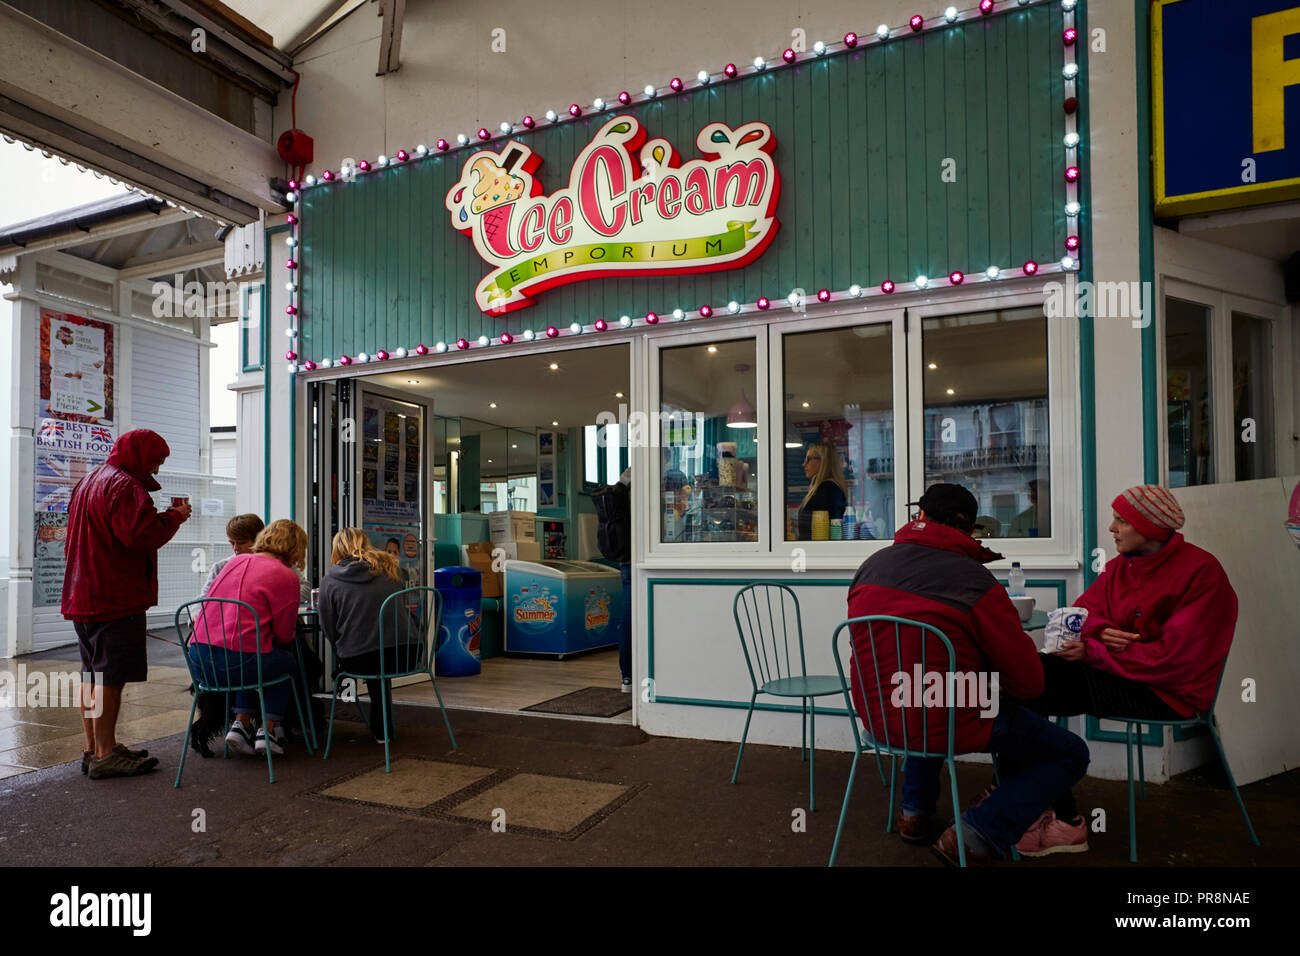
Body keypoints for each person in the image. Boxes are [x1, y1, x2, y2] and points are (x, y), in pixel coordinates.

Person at [847, 482, 1089, 865]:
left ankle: (914, 812)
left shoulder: (871, 566)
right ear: (968, 528)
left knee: (926, 696)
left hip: (877, 714)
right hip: (942, 714)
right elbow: (1029, 683)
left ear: (920, 517)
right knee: (1070, 753)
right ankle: (977, 831)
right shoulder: (976, 582)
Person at [1006, 484, 1238, 856]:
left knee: (1030, 687)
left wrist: (1093, 652)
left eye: (1121, 520)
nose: (1111, 528)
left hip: (1167, 695)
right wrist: (1098, 632)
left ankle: (1058, 818)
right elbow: (1079, 614)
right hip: (1121, 675)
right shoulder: (1120, 568)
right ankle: (1023, 795)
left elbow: (1172, 660)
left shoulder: (1202, 573)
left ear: (1149, 526)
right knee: (1025, 679)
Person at [62, 429, 190, 779]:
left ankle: (95, 748)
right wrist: (175, 516)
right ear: (140, 455)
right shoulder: (126, 487)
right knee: (110, 678)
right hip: (114, 596)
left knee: (92, 673)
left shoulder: (90, 481)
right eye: (156, 460)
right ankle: (105, 755)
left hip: (83, 593)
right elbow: (141, 536)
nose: (158, 469)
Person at [190, 519, 309, 756]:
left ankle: (241, 724)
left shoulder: (234, 563)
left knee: (251, 657)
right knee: (284, 661)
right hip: (238, 661)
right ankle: (268, 729)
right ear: (296, 549)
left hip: (199, 661)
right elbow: (284, 635)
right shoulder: (286, 576)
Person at [317, 529, 415, 742]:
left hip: (362, 658)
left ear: (337, 549)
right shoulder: (390, 569)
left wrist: (342, 649)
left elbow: (329, 628)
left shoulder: (330, 581)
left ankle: (381, 729)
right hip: (407, 653)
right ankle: (383, 729)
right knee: (377, 650)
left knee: (366, 652)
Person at [200, 513, 263, 596]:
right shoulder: (220, 568)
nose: (235, 548)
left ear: (258, 540)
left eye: (241, 543)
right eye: (232, 543)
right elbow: (202, 602)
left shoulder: (270, 567)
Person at [795, 443, 847, 540]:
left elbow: (831, 530)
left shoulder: (827, 490)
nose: (804, 464)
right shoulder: (824, 488)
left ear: (823, 461)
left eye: (808, 459)